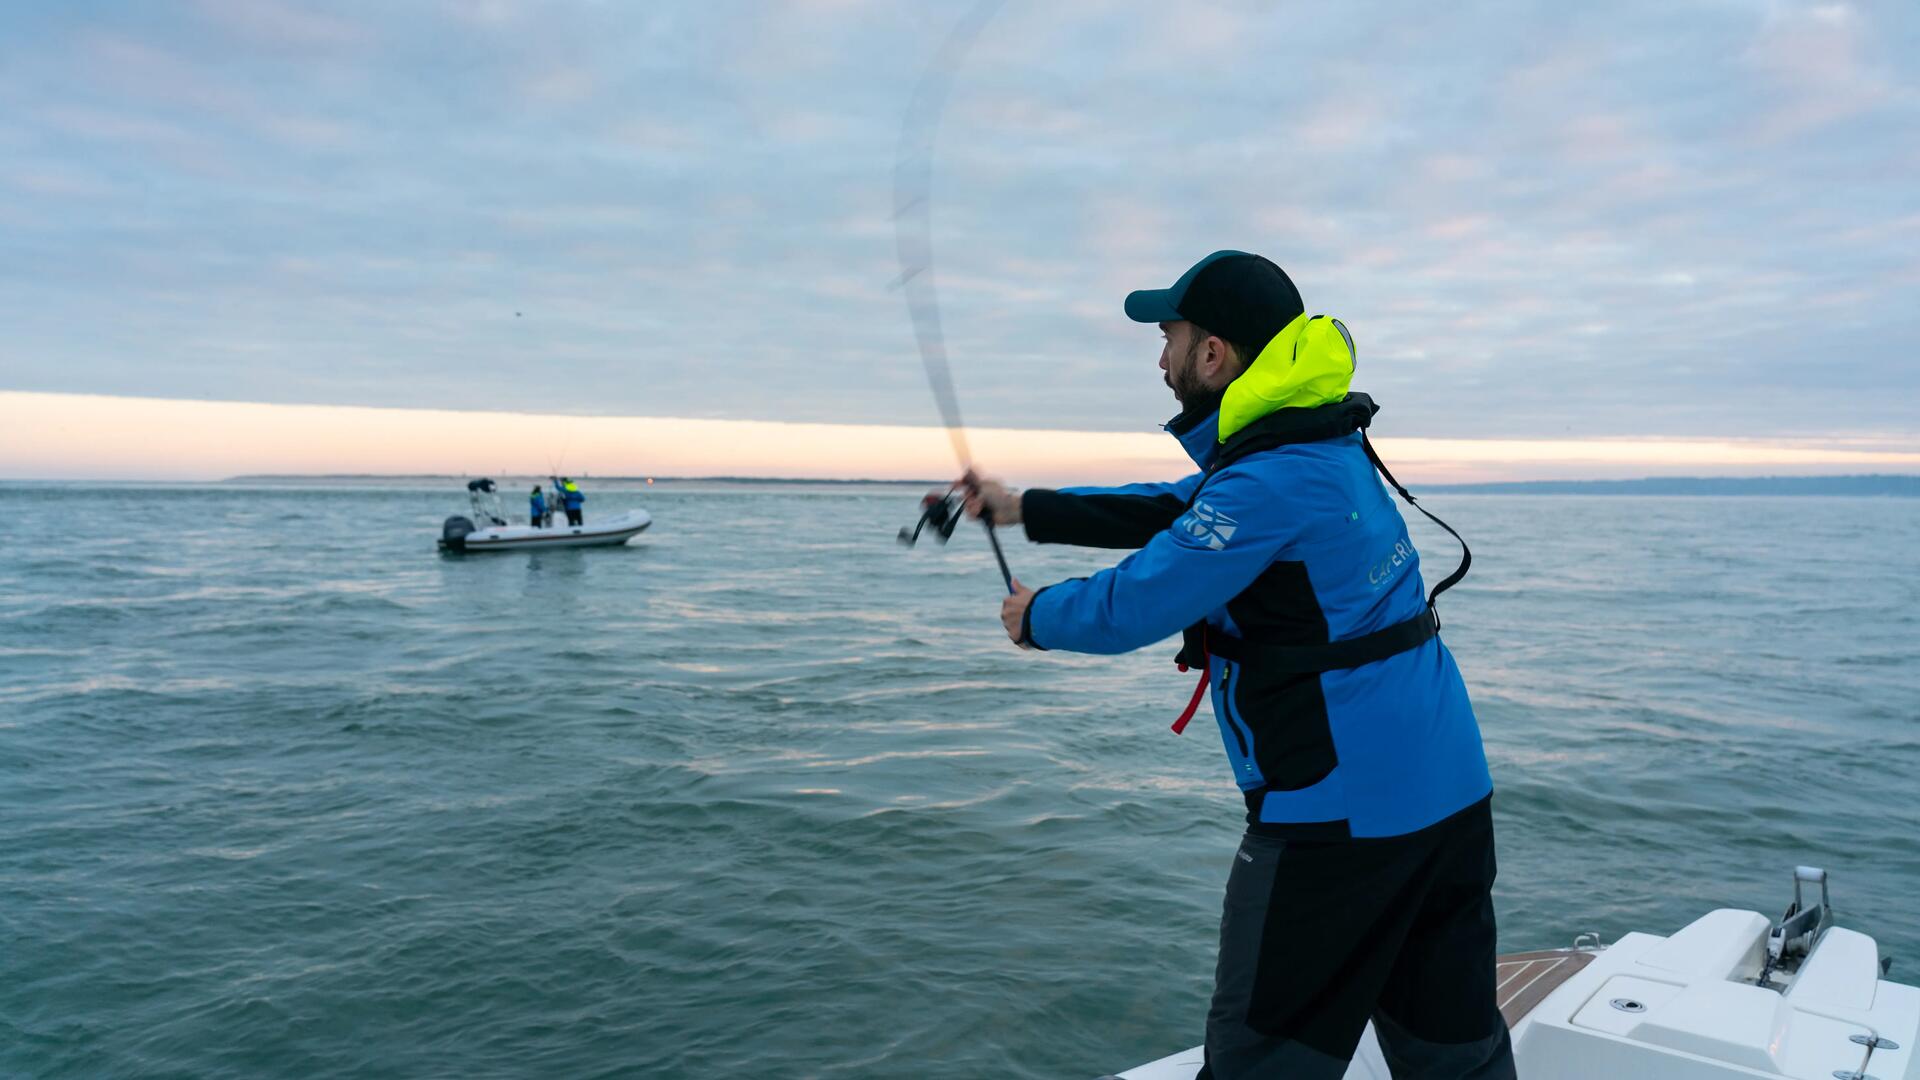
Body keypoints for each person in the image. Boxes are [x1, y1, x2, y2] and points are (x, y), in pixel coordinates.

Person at [957, 251, 1510, 1079]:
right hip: (1449, 794)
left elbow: (1140, 602)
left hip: (1341, 819)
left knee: (1260, 1060)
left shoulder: (1267, 482)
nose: (1161, 359)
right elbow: (1181, 509)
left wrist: (1037, 616)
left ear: (1212, 354)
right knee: (1453, 1049)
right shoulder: (1316, 447)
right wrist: (1023, 508)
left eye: (1170, 338)